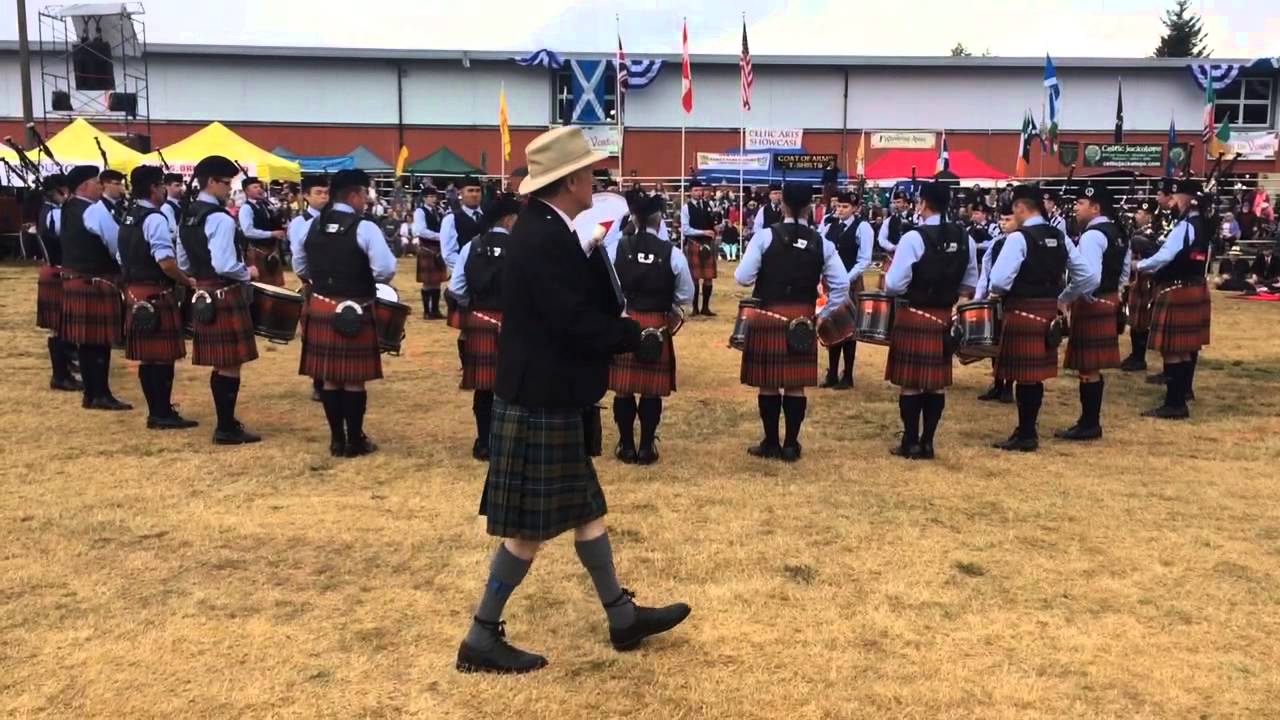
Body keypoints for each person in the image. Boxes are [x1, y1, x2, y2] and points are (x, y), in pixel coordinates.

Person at [455, 126, 690, 675]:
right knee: (529, 531)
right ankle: (481, 636)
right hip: (541, 393)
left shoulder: (554, 229)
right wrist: (632, 335)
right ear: (569, 180)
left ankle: (621, 615)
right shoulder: (540, 238)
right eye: (590, 170)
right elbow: (572, 321)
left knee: (586, 512)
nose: (596, 178)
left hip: (548, 390)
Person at [735, 183, 850, 461]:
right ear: (809, 207)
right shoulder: (821, 242)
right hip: (803, 318)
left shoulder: (764, 237)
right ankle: (791, 444)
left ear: (783, 205)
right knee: (795, 385)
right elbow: (842, 285)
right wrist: (823, 313)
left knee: (769, 383)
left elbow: (743, 277)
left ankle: (771, 442)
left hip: (768, 316)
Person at [294, 169, 397, 457]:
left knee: (329, 378)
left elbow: (300, 266)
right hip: (356, 307)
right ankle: (355, 440)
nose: (365, 201)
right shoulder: (365, 228)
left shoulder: (309, 227)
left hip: (322, 307)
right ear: (354, 195)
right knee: (353, 379)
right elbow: (385, 270)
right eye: (364, 194)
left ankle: (337, 440)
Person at [987, 184, 1090, 451]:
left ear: (1021, 207)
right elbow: (1086, 275)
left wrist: (996, 293)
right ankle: (1026, 430)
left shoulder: (1019, 238)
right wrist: (1064, 298)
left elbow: (998, 280)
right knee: (1034, 377)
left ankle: (1027, 433)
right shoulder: (1060, 236)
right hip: (1047, 313)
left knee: (1025, 377)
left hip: (1022, 310)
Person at [881, 181, 977, 459]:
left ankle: (910, 442)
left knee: (911, 382)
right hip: (943, 317)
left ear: (923, 203)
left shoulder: (914, 238)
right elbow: (970, 281)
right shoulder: (965, 237)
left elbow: (895, 284)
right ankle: (928, 441)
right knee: (935, 384)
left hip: (915, 315)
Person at [179, 155, 262, 445]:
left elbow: (183, 261)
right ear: (212, 182)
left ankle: (226, 422)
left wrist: (196, 281)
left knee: (221, 363)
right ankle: (226, 427)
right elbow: (226, 264)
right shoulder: (219, 219)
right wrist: (247, 272)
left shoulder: (188, 215)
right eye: (226, 183)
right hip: (224, 291)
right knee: (230, 363)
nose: (229, 189)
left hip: (203, 291)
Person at [609, 193, 695, 465]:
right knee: (650, 390)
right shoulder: (674, 254)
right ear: (659, 221)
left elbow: (604, 286)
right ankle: (646, 447)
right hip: (656, 325)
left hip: (624, 321)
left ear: (633, 219)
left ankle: (625, 445)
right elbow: (685, 295)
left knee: (623, 389)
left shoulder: (615, 249)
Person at [119, 165, 199, 430]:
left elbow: (121, 256)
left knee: (148, 357)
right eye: (163, 185)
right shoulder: (154, 218)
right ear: (154, 188)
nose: (165, 190)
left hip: (134, 291)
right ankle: (161, 412)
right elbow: (165, 262)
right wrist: (186, 280)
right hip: (154, 291)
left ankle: (157, 411)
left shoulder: (129, 215)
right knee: (162, 356)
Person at [448, 193, 521, 461]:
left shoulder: (471, 246)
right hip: (515, 323)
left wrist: (475, 305)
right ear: (509, 219)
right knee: (512, 386)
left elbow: (456, 289)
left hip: (480, 321)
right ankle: (507, 443)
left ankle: (483, 442)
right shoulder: (522, 246)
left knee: (484, 387)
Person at [1055, 181, 1128, 441]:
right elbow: (1125, 271)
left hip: (1092, 301)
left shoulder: (1093, 236)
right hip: (1108, 301)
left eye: (1081, 203)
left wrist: (1065, 298)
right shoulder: (1118, 232)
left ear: (1095, 208)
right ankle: (1089, 422)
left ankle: (1089, 424)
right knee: (1092, 367)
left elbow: (1090, 278)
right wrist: (1117, 295)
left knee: (1088, 368)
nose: (1076, 208)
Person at [1137, 178, 1212, 420]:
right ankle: (1181, 396)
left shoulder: (1185, 226)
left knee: (1172, 350)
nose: (1174, 200)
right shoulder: (1202, 224)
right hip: (1195, 286)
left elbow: (1165, 256)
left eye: (1177, 196)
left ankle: (1174, 403)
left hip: (1177, 288)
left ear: (1187, 200)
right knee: (1184, 349)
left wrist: (1140, 265)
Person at [60, 164, 130, 411]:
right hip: (95, 280)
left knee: (87, 343)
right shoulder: (94, 211)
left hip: (76, 279)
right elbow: (115, 244)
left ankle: (92, 393)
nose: (101, 186)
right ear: (85, 186)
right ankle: (99, 394)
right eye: (97, 182)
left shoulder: (68, 207)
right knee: (99, 341)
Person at [821, 191, 873, 389]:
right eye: (838, 207)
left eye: (845, 207)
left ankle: (848, 375)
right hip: (831, 285)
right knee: (831, 325)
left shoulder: (863, 227)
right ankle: (832, 372)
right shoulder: (829, 225)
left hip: (851, 284)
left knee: (849, 330)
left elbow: (864, 259)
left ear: (855, 209)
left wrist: (844, 279)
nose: (840, 210)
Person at [34, 173, 81, 392]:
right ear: (60, 191)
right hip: (58, 271)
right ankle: (60, 375)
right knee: (60, 326)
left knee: (61, 326)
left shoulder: (51, 211)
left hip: (54, 271)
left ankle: (64, 368)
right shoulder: (55, 213)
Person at [287, 175, 330, 403]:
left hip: (333, 283)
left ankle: (333, 376)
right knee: (313, 336)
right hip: (313, 282)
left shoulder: (336, 219)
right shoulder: (299, 223)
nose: (324, 197)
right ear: (306, 196)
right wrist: (307, 281)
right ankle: (318, 382)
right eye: (318, 193)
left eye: (326, 192)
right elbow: (299, 257)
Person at [973, 199, 1016, 403]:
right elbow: (986, 272)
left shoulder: (1022, 242)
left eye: (1008, 219)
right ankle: (998, 384)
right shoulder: (997, 243)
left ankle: (1009, 386)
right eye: (1002, 219)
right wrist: (978, 297)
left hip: (1012, 299)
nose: (1003, 223)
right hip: (993, 298)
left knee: (1010, 346)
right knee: (994, 342)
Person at [1121, 199, 1160, 372]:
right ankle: (1135, 355)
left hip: (1146, 280)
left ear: (1149, 216)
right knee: (1135, 320)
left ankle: (1139, 357)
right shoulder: (1136, 232)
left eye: (1140, 213)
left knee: (1142, 321)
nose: (1137, 216)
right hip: (1136, 279)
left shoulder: (1152, 234)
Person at [237, 176, 287, 286]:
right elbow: (248, 231)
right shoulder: (246, 208)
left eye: (260, 186)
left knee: (277, 285)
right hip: (257, 250)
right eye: (255, 187)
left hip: (272, 250)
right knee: (262, 286)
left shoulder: (265, 205)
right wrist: (272, 234)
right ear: (246, 191)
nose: (259, 189)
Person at [680, 181, 719, 316]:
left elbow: (712, 223)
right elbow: (685, 229)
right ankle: (695, 308)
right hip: (694, 243)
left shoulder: (709, 205)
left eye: (700, 190)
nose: (698, 192)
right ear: (690, 192)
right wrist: (703, 232)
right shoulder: (686, 208)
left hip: (708, 244)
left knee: (708, 277)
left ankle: (706, 308)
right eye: (695, 190)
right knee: (695, 277)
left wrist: (716, 229)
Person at [413, 186, 447, 319]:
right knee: (428, 282)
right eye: (431, 197)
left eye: (435, 196)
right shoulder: (420, 212)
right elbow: (422, 231)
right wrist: (440, 236)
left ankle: (435, 310)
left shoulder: (439, 211)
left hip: (438, 248)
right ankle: (427, 312)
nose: (434, 199)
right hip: (427, 248)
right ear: (425, 198)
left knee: (437, 280)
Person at [441, 175, 485, 271]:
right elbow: (449, 255)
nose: (474, 194)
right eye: (470, 191)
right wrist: (472, 267)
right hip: (464, 274)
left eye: (478, 191)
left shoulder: (489, 217)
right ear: (461, 193)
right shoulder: (451, 219)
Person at [876, 189, 915, 286]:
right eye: (894, 202)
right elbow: (881, 239)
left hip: (913, 259)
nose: (896, 205)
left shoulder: (915, 218)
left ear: (906, 203)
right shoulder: (889, 221)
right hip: (894, 258)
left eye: (898, 202)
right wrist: (893, 247)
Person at [160, 173, 185, 239]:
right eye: (177, 185)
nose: (180, 188)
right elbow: (173, 233)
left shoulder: (182, 204)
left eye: (181, 185)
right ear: (167, 186)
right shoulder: (167, 207)